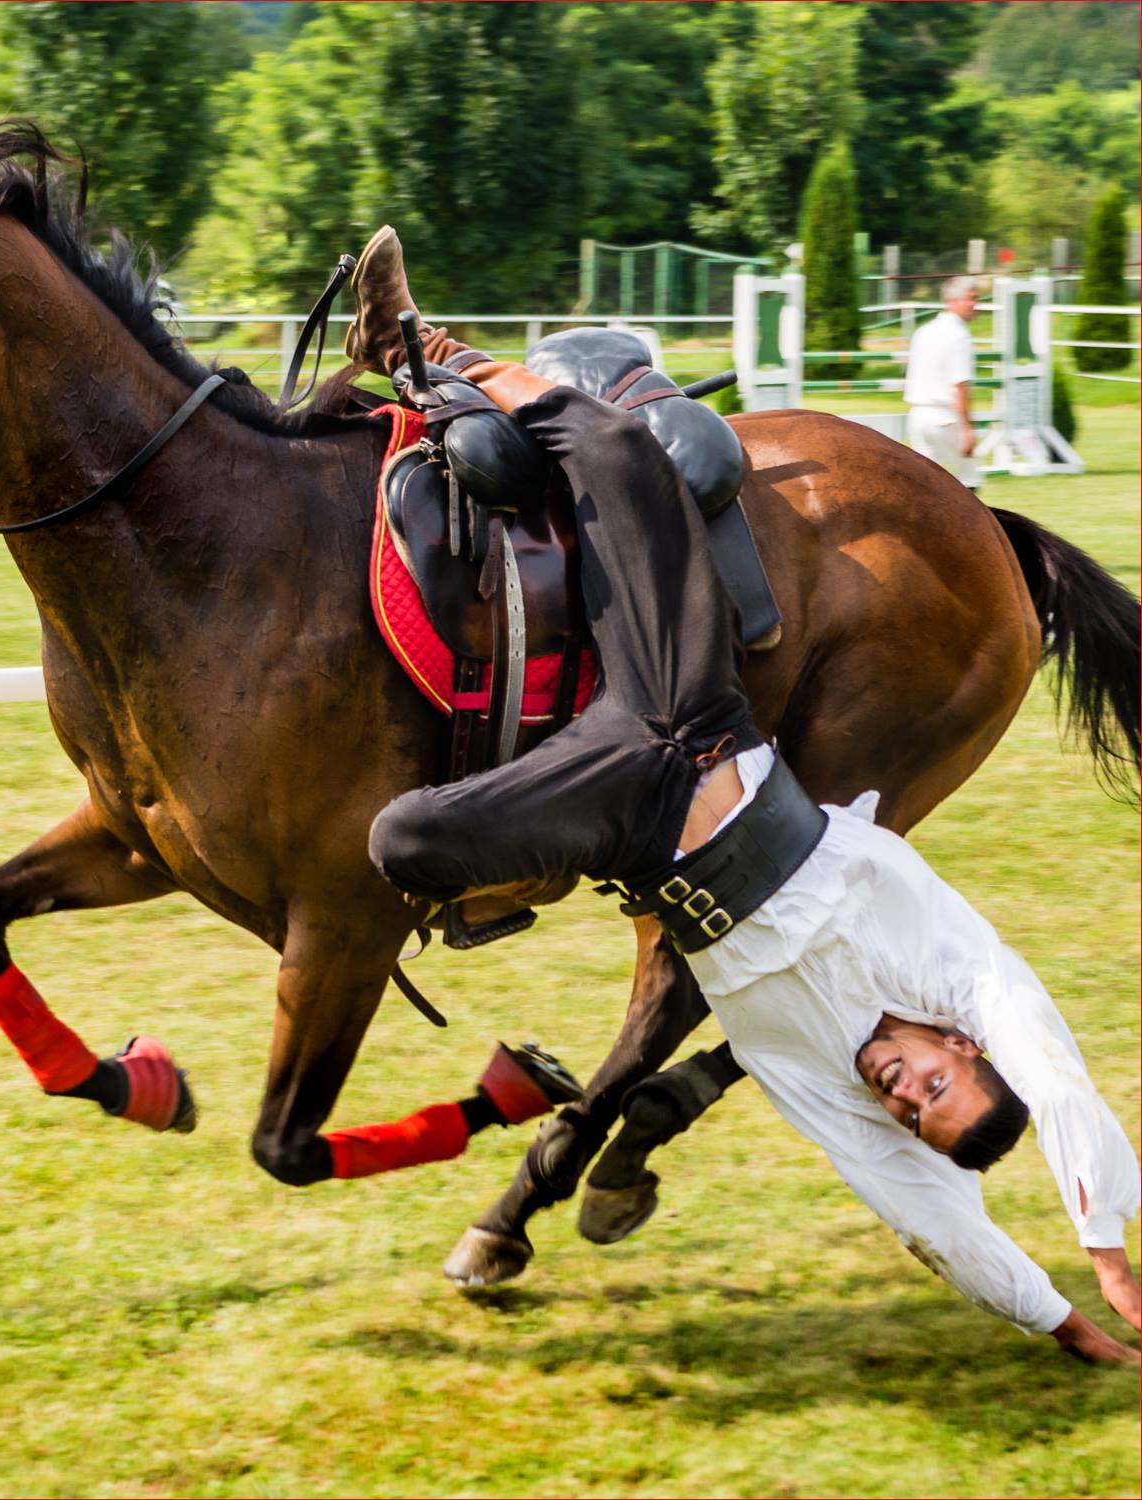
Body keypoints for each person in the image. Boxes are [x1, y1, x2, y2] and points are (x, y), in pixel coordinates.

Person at [344, 227, 1140, 1364]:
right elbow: (1050, 1060)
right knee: (620, 456)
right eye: (932, 1082)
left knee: (403, 835)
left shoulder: (818, 1077)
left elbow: (943, 1225)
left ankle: (505, 879)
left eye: (910, 1109)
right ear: (962, 1047)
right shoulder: (952, 972)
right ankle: (421, 345)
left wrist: (1063, 1323)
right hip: (697, 724)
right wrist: (1102, 1241)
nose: (903, 1088)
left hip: (630, 815)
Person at [903, 274, 981, 488]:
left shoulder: (923, 331)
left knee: (924, 485)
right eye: (970, 298)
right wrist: (967, 428)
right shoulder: (958, 335)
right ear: (951, 301)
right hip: (945, 419)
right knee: (969, 480)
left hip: (918, 417)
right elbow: (960, 384)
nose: (975, 304)